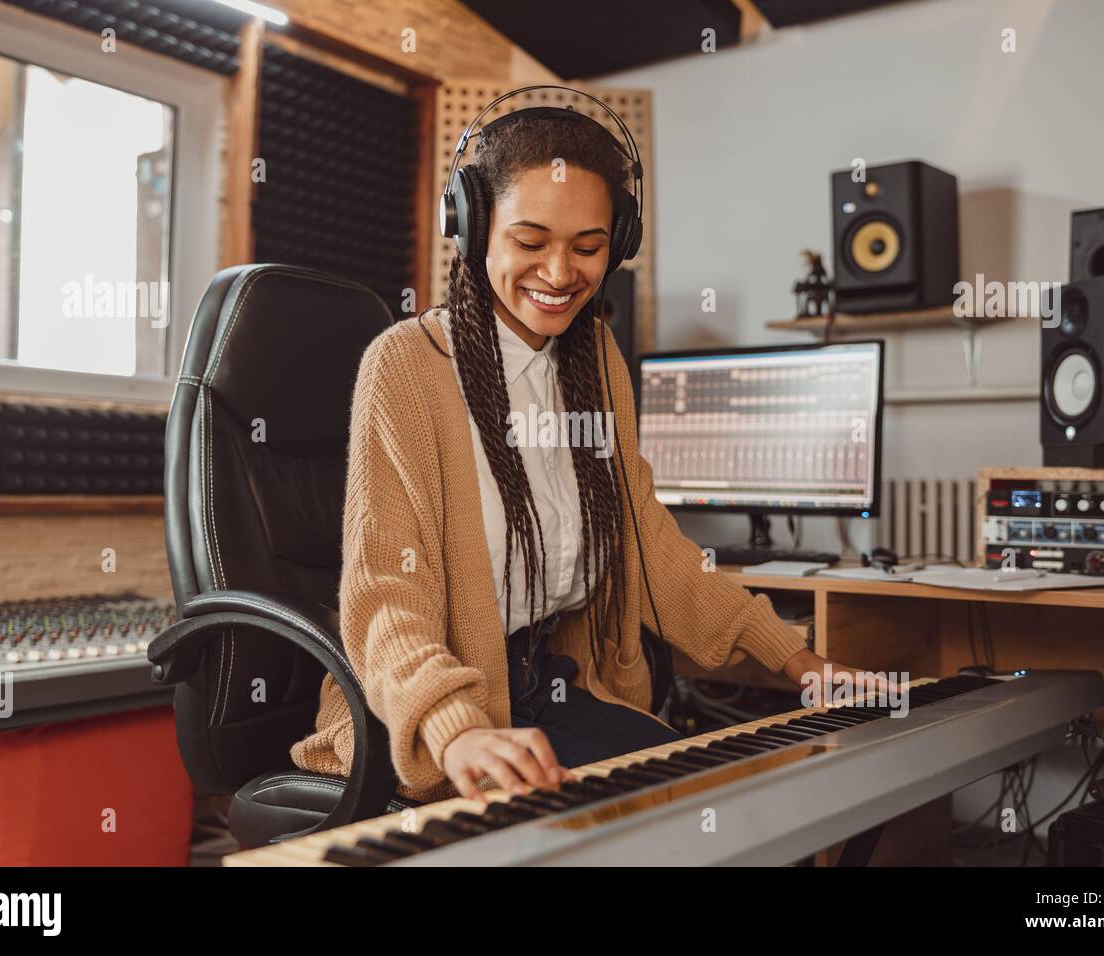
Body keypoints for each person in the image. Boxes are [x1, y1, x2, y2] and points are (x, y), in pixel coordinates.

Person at [291, 100, 877, 805]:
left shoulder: (595, 360)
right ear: (473, 229)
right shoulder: (408, 367)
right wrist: (458, 731)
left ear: (618, 243)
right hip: (426, 712)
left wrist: (796, 657)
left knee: (724, 801)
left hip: (551, 692)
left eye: (588, 245)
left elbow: (648, 545)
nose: (560, 271)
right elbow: (387, 594)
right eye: (530, 241)